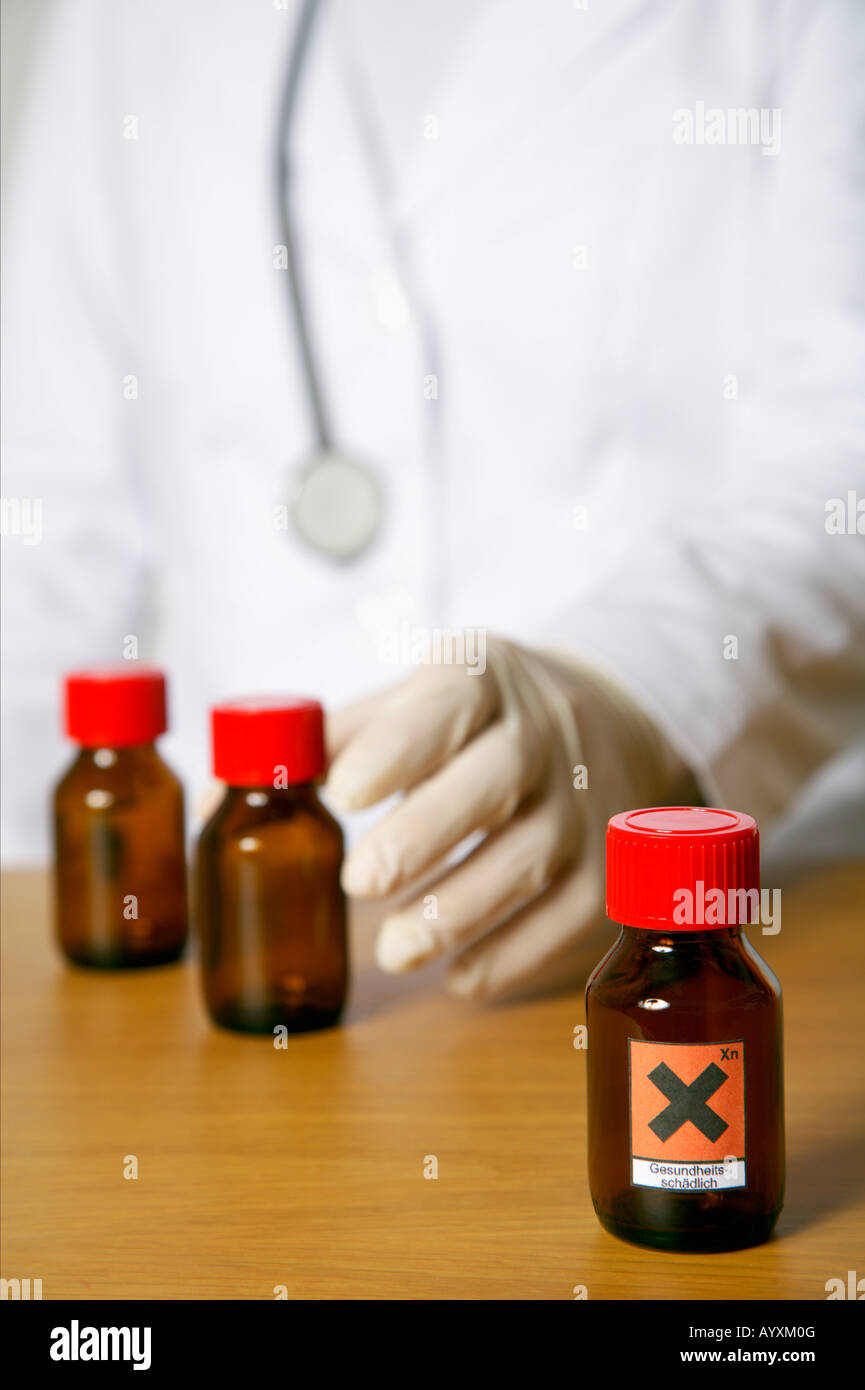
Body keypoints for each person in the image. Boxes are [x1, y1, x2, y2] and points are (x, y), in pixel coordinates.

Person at [3, 0, 864, 998]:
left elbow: (844, 435)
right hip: (235, 945)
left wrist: (638, 689)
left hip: (747, 901)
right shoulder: (127, 26)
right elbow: (38, 520)